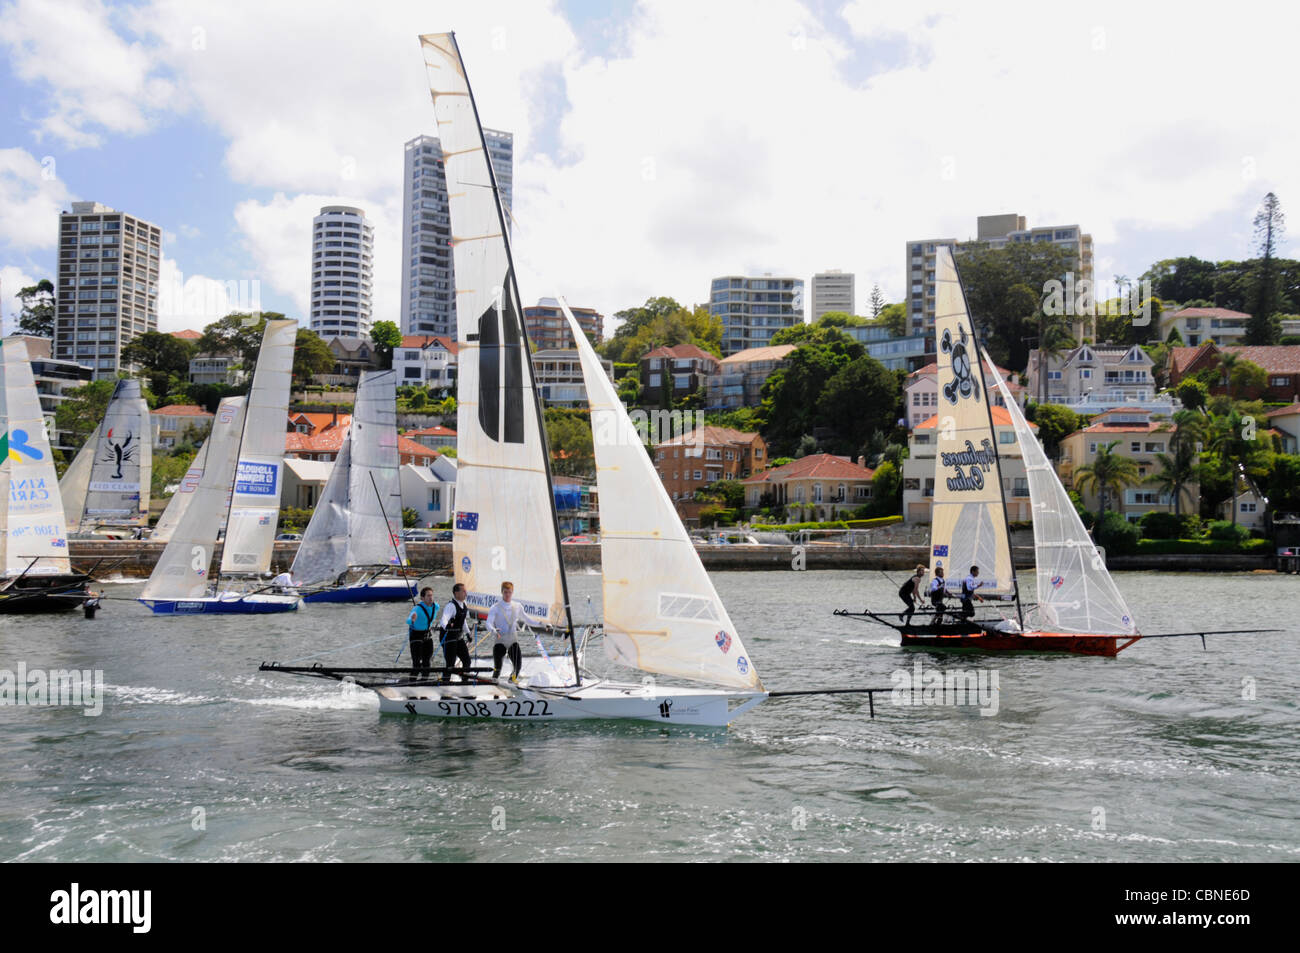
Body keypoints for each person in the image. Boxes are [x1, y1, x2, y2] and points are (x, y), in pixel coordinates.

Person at [485, 581, 546, 683]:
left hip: (513, 640)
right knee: (498, 669)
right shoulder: (495, 607)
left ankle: (511, 682)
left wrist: (542, 623)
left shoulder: (517, 606)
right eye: (505, 592)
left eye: (509, 592)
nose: (507, 595)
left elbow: (528, 620)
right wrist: (493, 630)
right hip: (500, 640)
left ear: (512, 592)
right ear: (502, 592)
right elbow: (488, 623)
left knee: (517, 667)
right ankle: (494, 692)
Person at [436, 582, 472, 683]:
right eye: (463, 591)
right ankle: (445, 683)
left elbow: (463, 620)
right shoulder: (451, 606)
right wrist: (447, 626)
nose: (466, 593)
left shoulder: (464, 604)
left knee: (467, 660)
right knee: (450, 663)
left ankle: (464, 682)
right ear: (456, 593)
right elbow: (443, 620)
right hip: (448, 638)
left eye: (466, 591)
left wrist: (468, 633)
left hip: (458, 638)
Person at [406, 587, 440, 678]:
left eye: (432, 595)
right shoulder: (417, 609)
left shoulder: (436, 607)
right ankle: (412, 682)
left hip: (427, 635)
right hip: (416, 636)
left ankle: (424, 681)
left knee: (427, 662)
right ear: (422, 598)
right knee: (417, 663)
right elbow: (408, 620)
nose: (431, 598)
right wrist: (412, 620)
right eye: (428, 596)